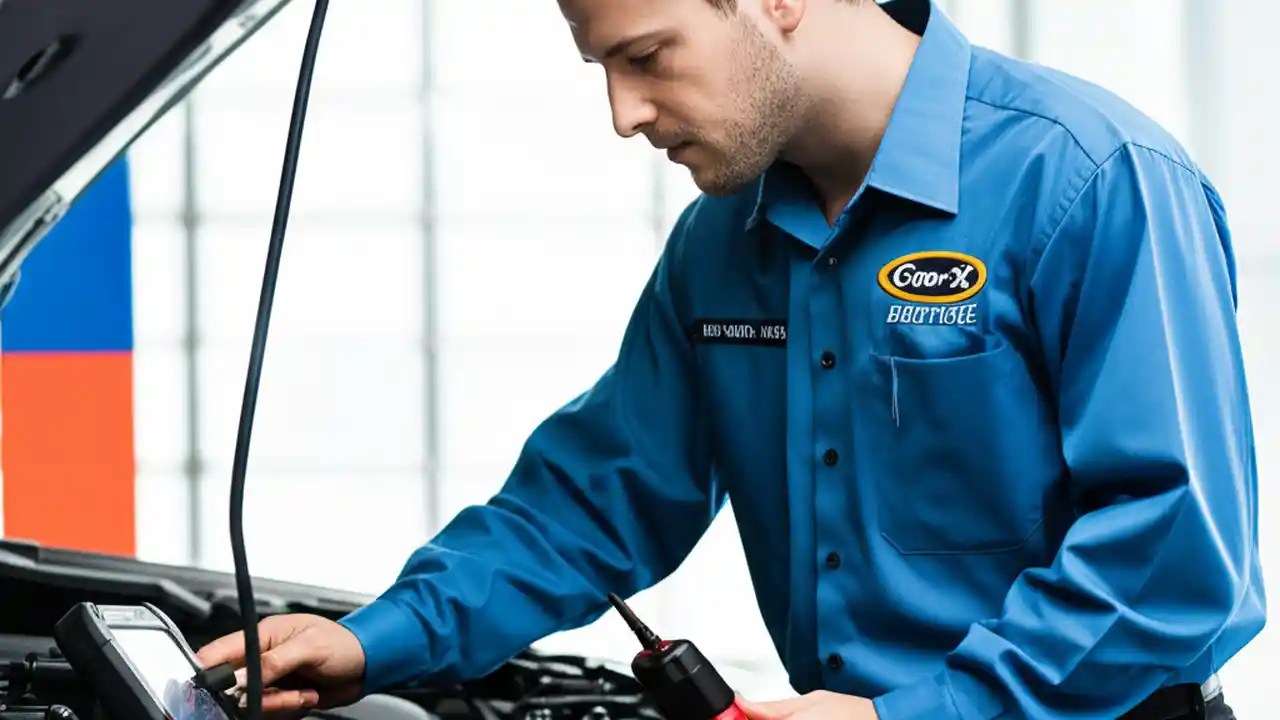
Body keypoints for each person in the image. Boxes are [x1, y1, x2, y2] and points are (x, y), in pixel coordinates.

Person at [195, 0, 1265, 718]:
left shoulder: (1087, 178)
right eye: (601, 67)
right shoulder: (720, 245)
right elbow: (595, 499)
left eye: (644, 55)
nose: (622, 114)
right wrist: (378, 640)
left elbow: (1175, 560)